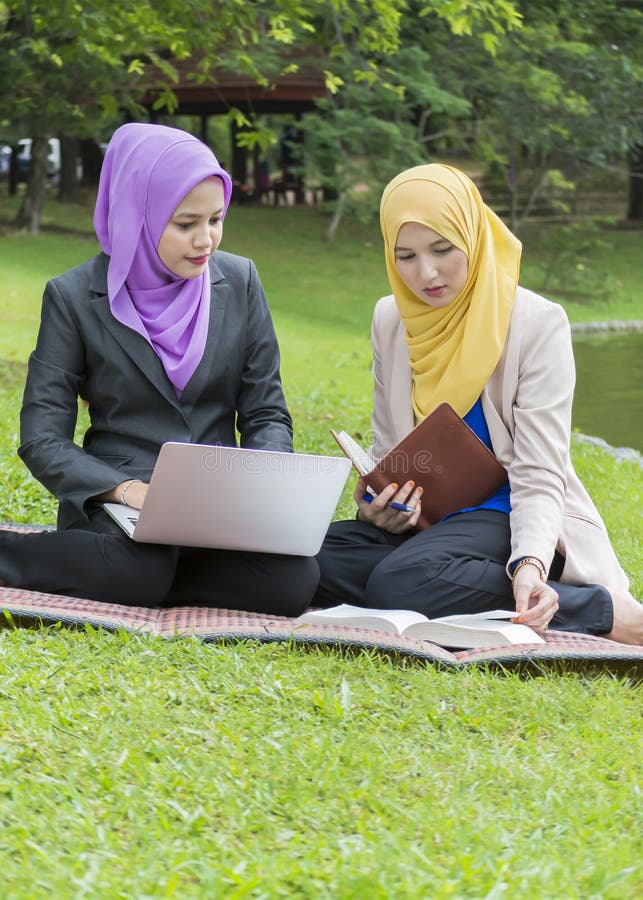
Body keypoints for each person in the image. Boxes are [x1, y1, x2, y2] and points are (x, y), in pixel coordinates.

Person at [314, 164, 643, 644]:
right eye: (405, 255)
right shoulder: (391, 318)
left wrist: (530, 561)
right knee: (307, 559)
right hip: (428, 525)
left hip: (508, 514)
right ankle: (436, 582)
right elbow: (391, 451)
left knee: (400, 580)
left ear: (472, 235)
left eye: (442, 249)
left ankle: (600, 611)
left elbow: (538, 471)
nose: (425, 273)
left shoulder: (536, 324)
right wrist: (378, 508)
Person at [0, 123, 317, 615]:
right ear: (137, 214)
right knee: (137, 567)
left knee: (293, 582)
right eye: (185, 223)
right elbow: (42, 438)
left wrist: (262, 487)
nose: (205, 240)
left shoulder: (241, 280)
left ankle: (150, 575)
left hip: (217, 508)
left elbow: (267, 413)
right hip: (121, 501)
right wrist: (127, 491)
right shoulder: (73, 297)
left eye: (216, 219)